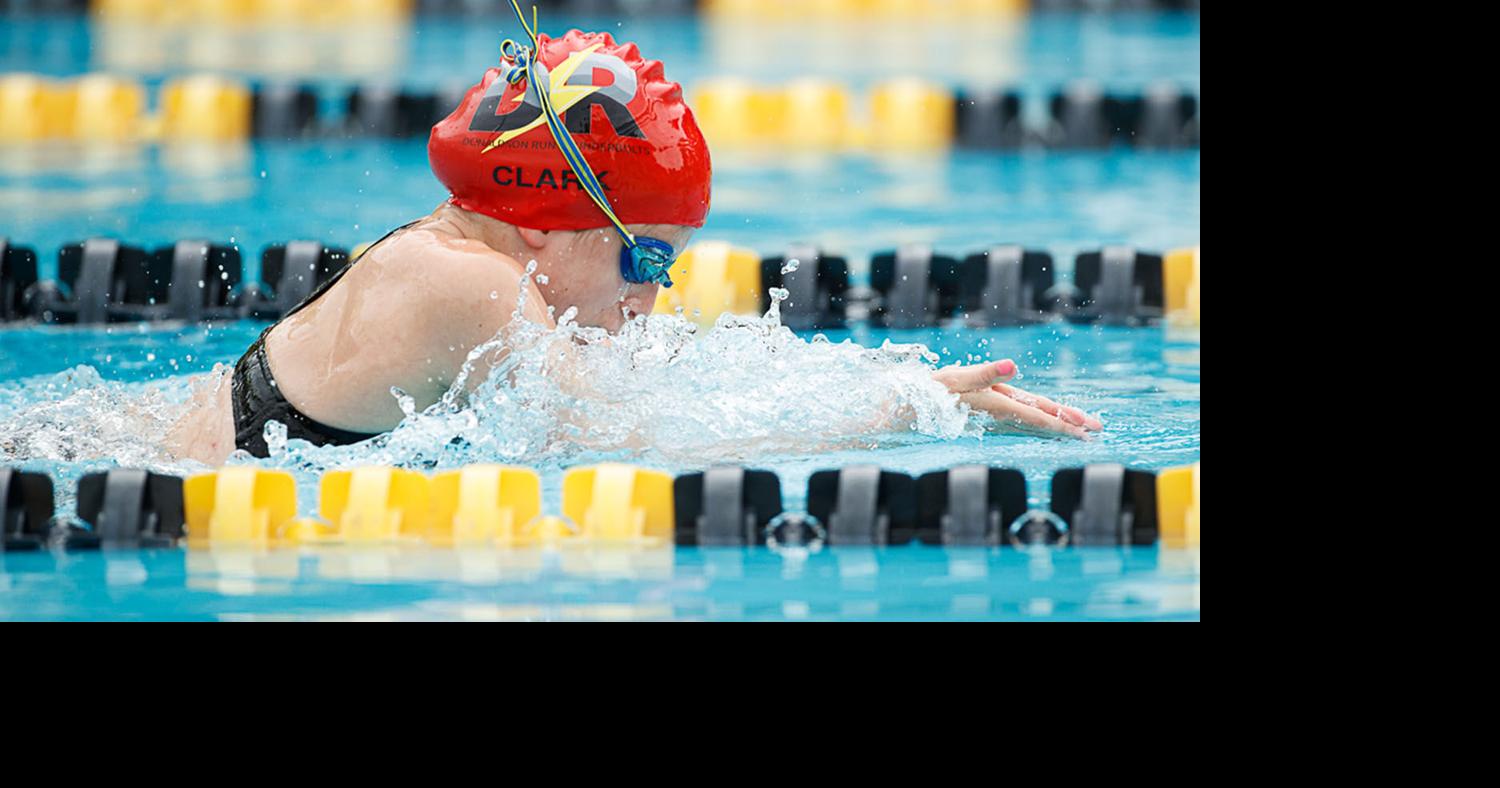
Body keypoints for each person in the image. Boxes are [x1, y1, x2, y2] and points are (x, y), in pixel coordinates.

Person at [166, 18, 1100, 466]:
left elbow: (690, 391)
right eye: (645, 257)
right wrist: (901, 410)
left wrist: (891, 382)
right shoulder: (470, 286)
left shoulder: (459, 258)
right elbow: (625, 442)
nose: (648, 297)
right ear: (547, 218)